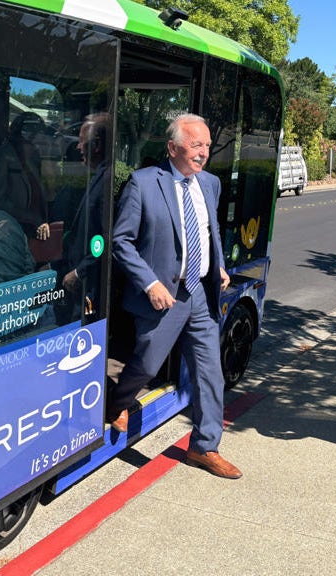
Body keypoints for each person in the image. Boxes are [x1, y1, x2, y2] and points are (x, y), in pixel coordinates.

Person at [110, 113, 240, 479]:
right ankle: (116, 404)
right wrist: (150, 284)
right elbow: (121, 242)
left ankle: (204, 447)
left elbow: (208, 230)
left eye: (208, 146)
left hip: (198, 293)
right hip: (163, 294)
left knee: (210, 373)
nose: (204, 153)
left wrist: (216, 267)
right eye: (196, 145)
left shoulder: (210, 184)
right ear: (173, 147)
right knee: (147, 365)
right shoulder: (144, 183)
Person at [57, 112, 111, 324]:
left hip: (89, 283)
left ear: (96, 145)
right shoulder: (97, 176)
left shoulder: (105, 180)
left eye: (81, 141)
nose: (77, 147)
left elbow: (105, 238)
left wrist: (80, 272)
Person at [0, 111, 52, 244]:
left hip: (36, 237)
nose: (39, 147)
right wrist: (32, 218)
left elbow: (45, 197)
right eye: (37, 141)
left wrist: (45, 222)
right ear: (23, 138)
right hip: (9, 237)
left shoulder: (33, 161)